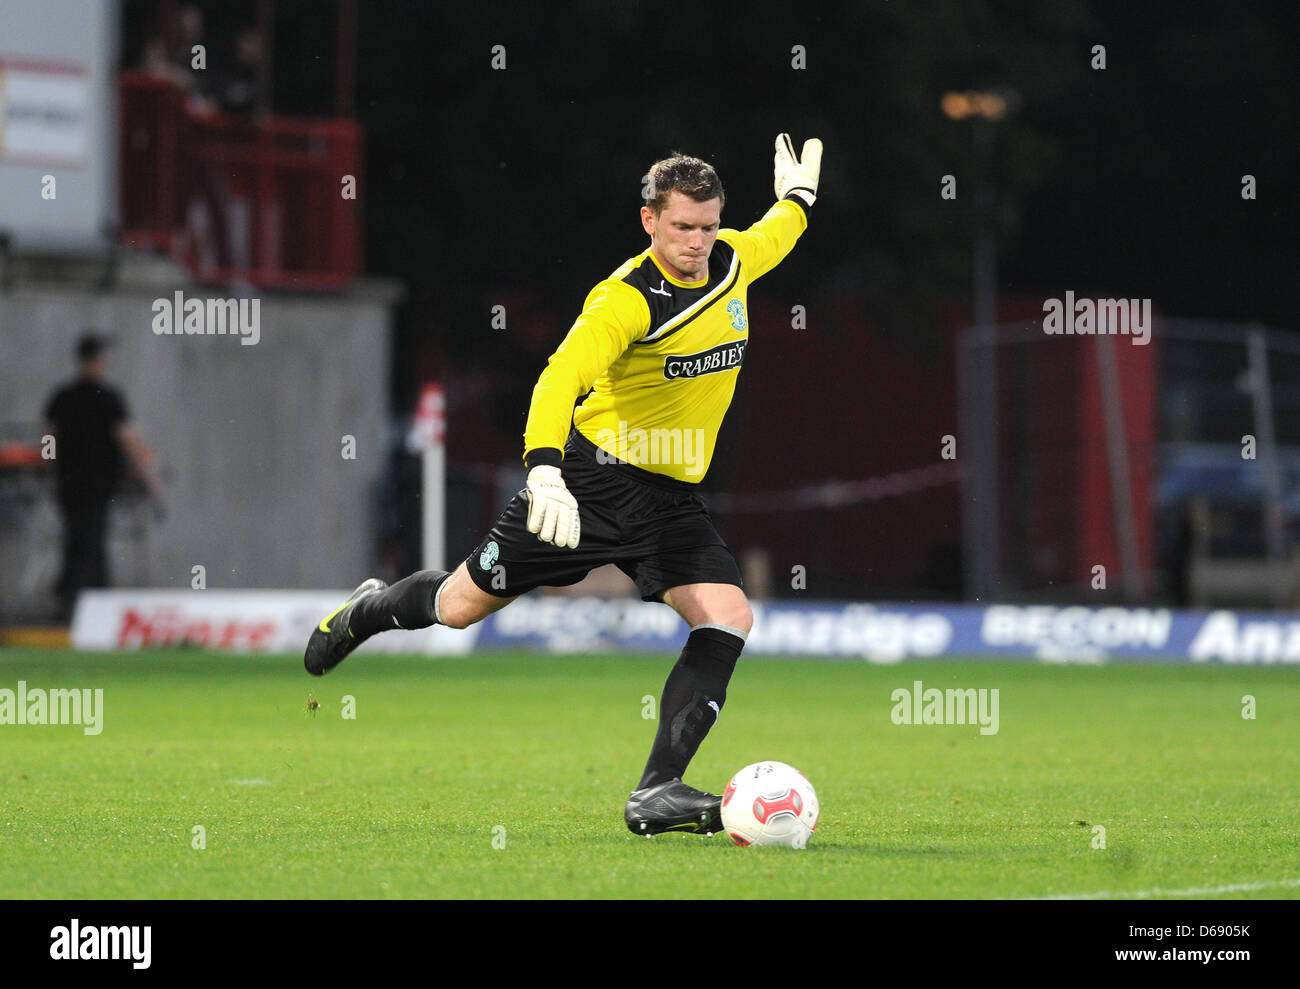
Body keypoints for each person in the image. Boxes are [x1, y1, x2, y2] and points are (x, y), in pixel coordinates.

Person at [304, 134, 823, 836]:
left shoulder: (730, 261)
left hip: (670, 502)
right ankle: (368, 610)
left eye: (707, 225)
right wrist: (544, 466)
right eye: (682, 228)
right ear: (649, 221)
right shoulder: (625, 299)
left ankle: (656, 791)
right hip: (590, 485)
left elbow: (774, 236)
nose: (698, 241)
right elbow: (560, 376)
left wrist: (798, 198)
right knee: (457, 607)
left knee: (728, 614)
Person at [44, 335, 161, 618]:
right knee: (90, 537)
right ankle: (83, 599)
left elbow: (47, 436)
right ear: (98, 361)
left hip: (69, 480)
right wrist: (149, 473)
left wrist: (50, 467)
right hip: (97, 481)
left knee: (79, 535)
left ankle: (81, 597)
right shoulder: (107, 398)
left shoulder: (63, 396)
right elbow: (126, 438)